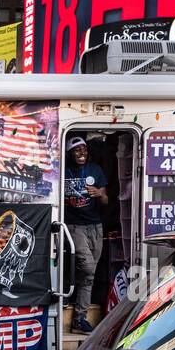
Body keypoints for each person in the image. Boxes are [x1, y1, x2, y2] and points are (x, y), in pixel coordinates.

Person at [63, 137, 108, 334]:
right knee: (88, 268)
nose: (81, 153)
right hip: (75, 226)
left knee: (89, 275)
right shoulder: (63, 171)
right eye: (76, 150)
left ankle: (79, 319)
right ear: (70, 153)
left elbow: (106, 200)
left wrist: (99, 193)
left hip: (95, 227)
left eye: (84, 149)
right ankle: (66, 293)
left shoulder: (95, 170)